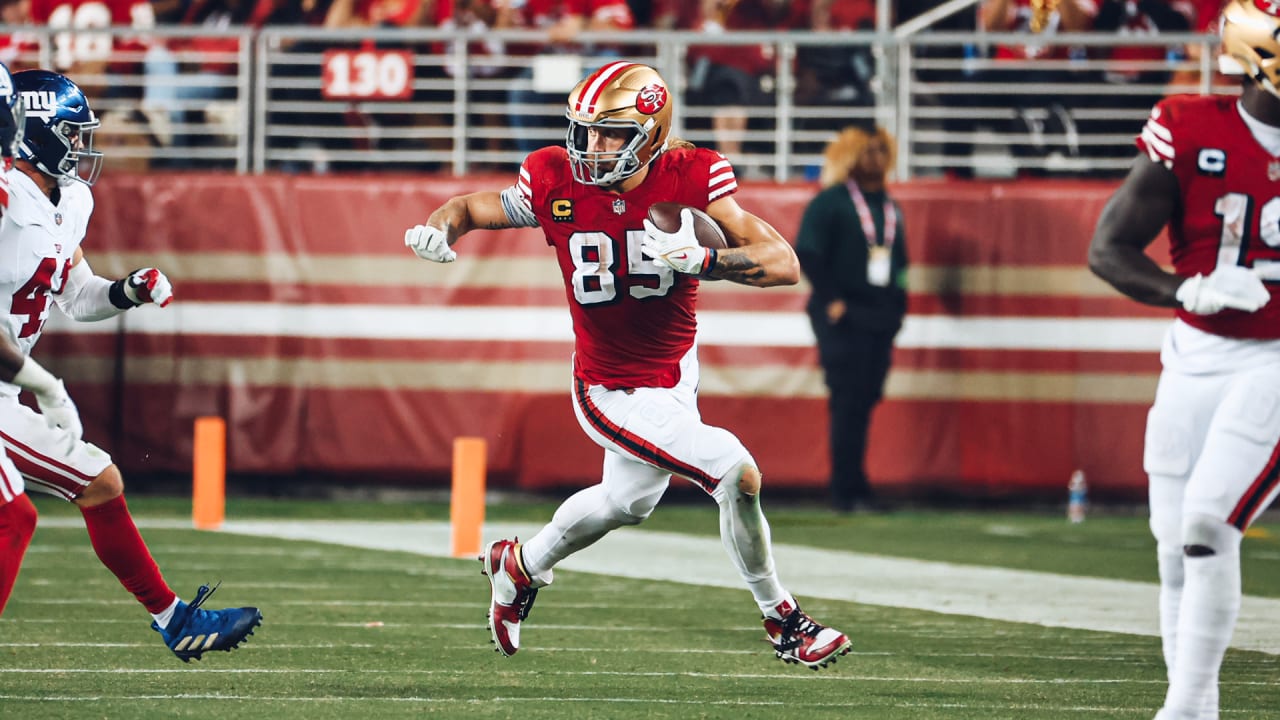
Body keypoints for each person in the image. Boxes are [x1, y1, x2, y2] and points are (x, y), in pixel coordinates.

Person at [404, 61, 853, 670]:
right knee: (735, 473)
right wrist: (441, 229)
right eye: (584, 130)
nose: (592, 146)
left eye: (610, 133)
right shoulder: (554, 179)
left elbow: (783, 263)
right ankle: (784, 621)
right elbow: (471, 205)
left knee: (627, 501)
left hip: (675, 372)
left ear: (652, 131)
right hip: (608, 388)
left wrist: (704, 261)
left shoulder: (691, 175)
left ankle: (521, 566)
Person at [0, 68, 262, 660]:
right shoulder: (6, 196)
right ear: (32, 131)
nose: (79, 146)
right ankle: (173, 620)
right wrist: (42, 382)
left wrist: (127, 291)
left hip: (8, 388)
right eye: (68, 133)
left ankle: (174, 620)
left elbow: (75, 293)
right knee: (22, 513)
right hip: (7, 382)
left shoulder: (72, 200)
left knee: (98, 484)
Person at [1087, 0, 1280, 715]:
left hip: (1275, 359)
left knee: (1206, 522)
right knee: (1173, 544)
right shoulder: (1190, 126)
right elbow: (1107, 249)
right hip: (1193, 355)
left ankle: (1188, 708)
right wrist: (1188, 288)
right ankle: (1192, 706)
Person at [796, 126, 906, 514]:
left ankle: (859, 486)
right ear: (849, 156)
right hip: (843, 316)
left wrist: (898, 309)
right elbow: (807, 252)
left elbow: (900, 266)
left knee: (865, 400)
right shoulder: (831, 202)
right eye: (867, 151)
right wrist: (832, 299)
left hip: (879, 315)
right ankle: (845, 491)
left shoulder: (889, 206)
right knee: (847, 401)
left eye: (881, 150)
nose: (875, 158)